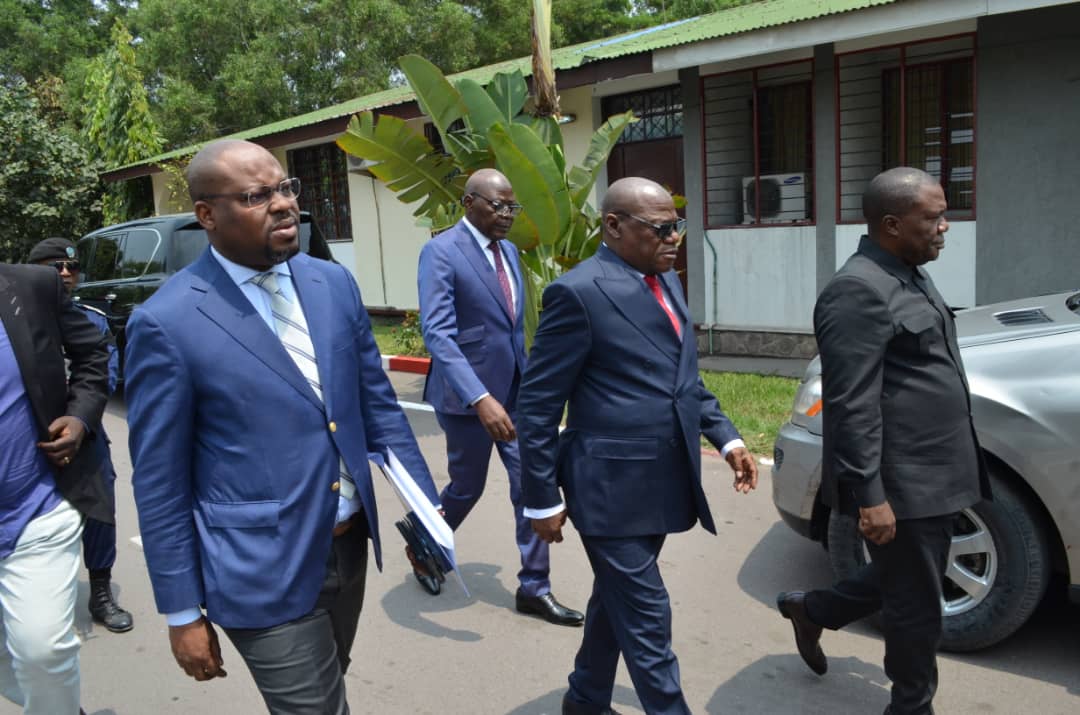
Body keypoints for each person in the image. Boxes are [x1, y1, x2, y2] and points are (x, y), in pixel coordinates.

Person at [125, 139, 441, 714]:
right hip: (259, 568)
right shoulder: (166, 323)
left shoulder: (330, 283)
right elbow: (160, 482)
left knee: (330, 685)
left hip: (346, 550)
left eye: (285, 188)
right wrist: (181, 611)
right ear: (207, 215)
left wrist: (427, 514)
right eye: (255, 195)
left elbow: (377, 408)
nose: (282, 205)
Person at [516, 177, 759, 715]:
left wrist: (727, 437)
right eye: (661, 228)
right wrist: (541, 499)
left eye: (678, 225)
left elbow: (683, 381)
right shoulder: (577, 294)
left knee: (615, 603)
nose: (675, 237)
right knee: (649, 620)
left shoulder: (665, 280)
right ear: (614, 226)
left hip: (660, 482)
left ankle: (584, 700)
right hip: (607, 492)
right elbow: (536, 407)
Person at [775, 167, 991, 715]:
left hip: (939, 470)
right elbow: (852, 403)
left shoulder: (910, 271)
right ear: (892, 224)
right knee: (917, 607)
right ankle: (912, 706)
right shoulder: (857, 291)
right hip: (903, 482)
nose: (945, 227)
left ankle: (813, 610)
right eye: (933, 218)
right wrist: (870, 496)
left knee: (909, 579)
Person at [416, 168, 582, 625]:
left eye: (514, 207)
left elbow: (510, 326)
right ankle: (425, 542)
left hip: (515, 391)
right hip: (468, 399)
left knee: (530, 483)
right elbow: (439, 334)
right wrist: (479, 398)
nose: (508, 215)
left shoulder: (509, 251)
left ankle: (534, 587)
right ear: (469, 203)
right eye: (499, 206)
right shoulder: (441, 252)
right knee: (466, 488)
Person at [0, 261, 111, 714]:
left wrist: (81, 416)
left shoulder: (31, 286)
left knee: (42, 650)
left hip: (36, 510)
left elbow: (92, 353)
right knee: (16, 664)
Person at [27, 238, 133, 634]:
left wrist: (77, 420)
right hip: (27, 437)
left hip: (83, 430)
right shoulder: (16, 316)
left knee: (100, 508)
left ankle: (101, 593)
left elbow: (103, 375)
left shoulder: (93, 319)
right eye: (56, 268)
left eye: (72, 268)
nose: (66, 275)